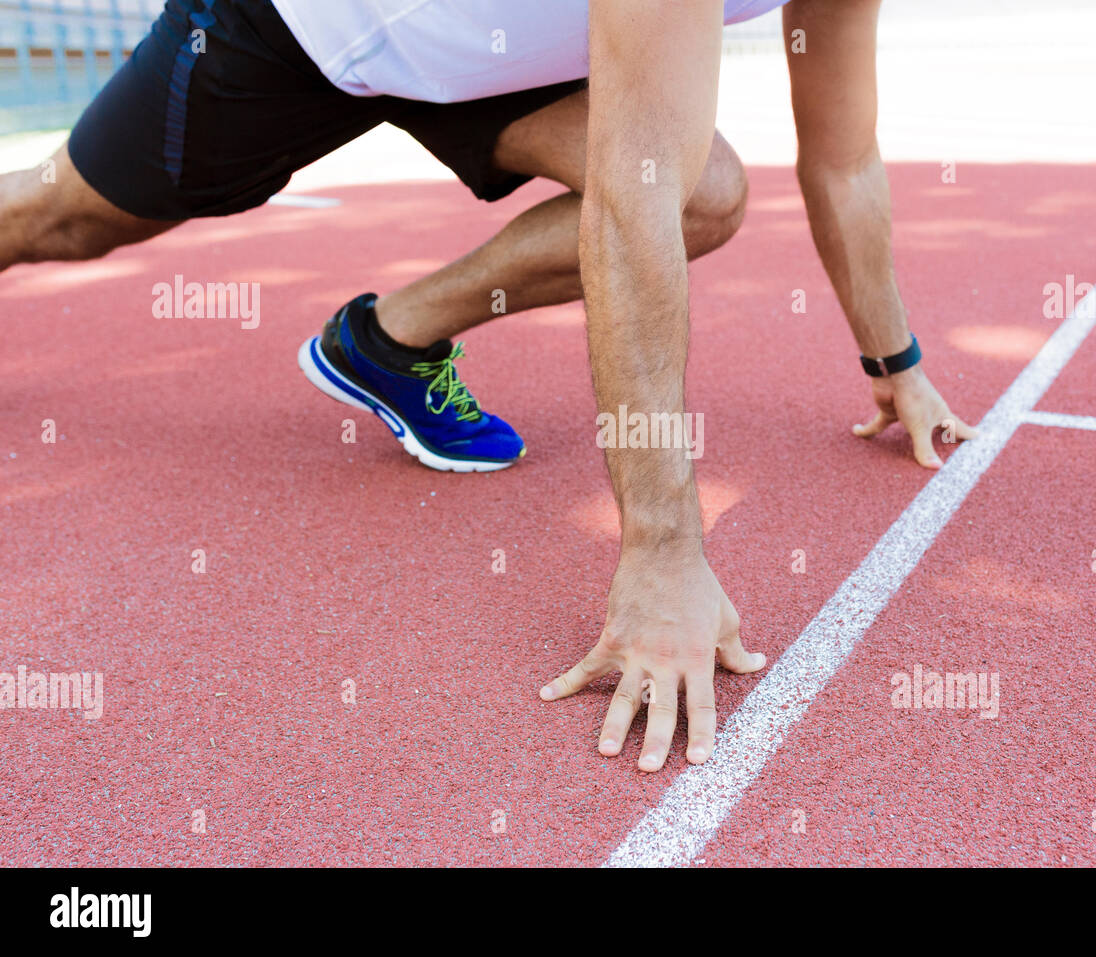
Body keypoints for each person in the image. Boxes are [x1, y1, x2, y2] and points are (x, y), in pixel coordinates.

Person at [0, 0, 976, 771]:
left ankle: (384, 342)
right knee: (65, 218)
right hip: (302, 28)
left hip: (484, 59)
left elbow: (844, 160)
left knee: (702, 191)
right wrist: (663, 553)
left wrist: (897, 366)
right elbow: (626, 217)